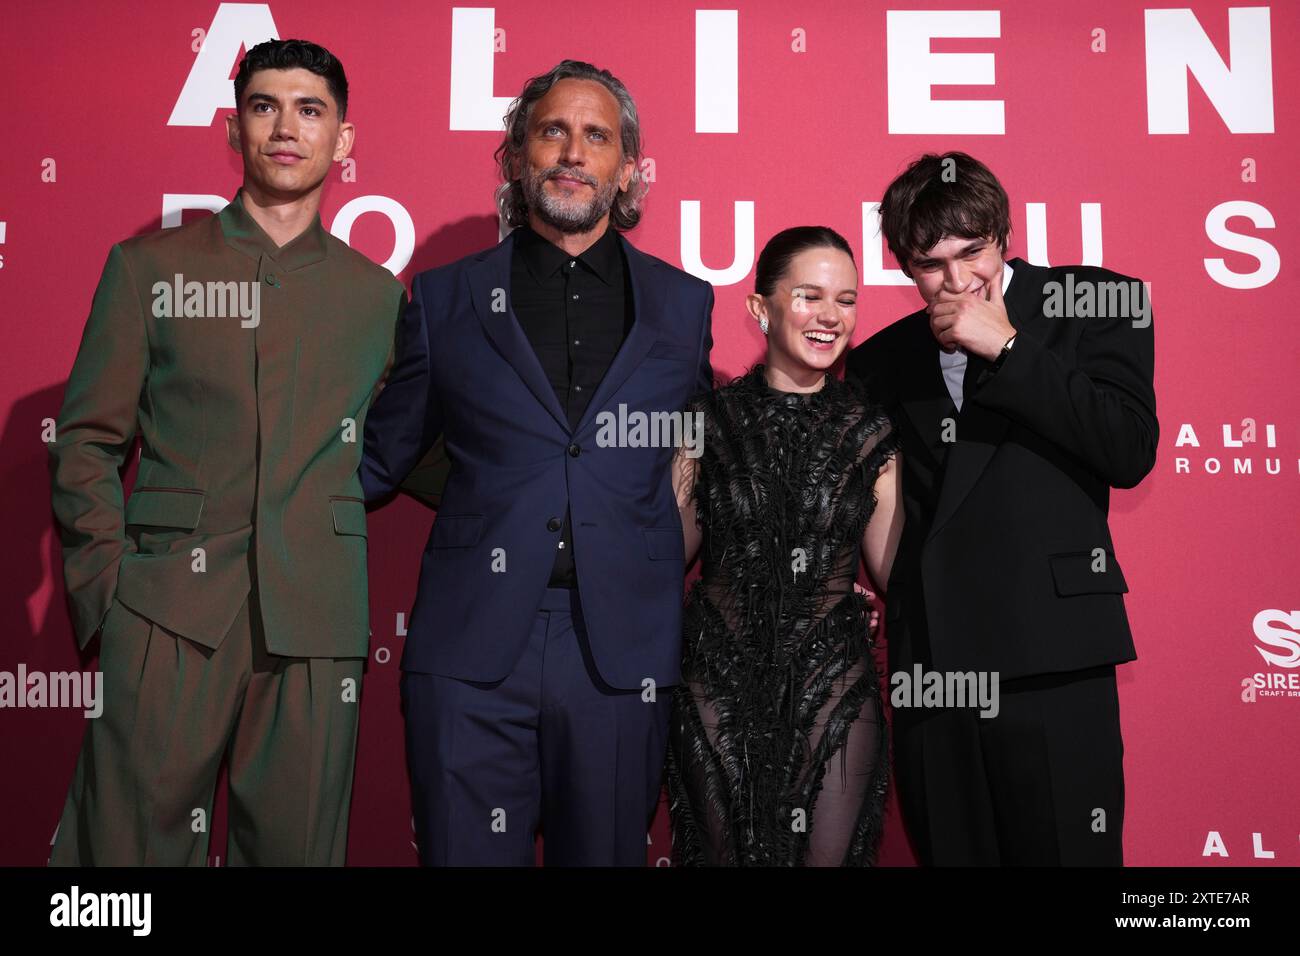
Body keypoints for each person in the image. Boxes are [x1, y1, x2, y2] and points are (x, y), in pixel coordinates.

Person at [48, 39, 406, 865]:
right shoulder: (151, 268)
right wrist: (110, 595)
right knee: (121, 859)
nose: (286, 127)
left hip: (315, 623)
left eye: (310, 110)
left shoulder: (378, 297)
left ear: (343, 141)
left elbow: (404, 446)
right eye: (264, 105)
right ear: (234, 128)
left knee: (295, 851)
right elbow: (86, 442)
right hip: (167, 612)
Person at [360, 60, 714, 866]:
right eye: (552, 130)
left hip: (621, 653)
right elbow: (380, 460)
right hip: (472, 652)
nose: (572, 152)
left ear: (627, 168)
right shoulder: (446, 297)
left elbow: (691, 458)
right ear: (518, 154)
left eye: (597, 136)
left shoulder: (684, 305)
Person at [847, 151, 1158, 865]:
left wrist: (1010, 347)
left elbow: (1128, 448)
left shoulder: (1096, 303)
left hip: (1054, 656)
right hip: (935, 667)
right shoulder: (880, 362)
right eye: (931, 264)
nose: (957, 282)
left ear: (1004, 236)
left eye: (972, 252)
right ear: (904, 267)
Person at [664, 226, 903, 866]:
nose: (831, 317)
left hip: (832, 692)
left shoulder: (871, 433)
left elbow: (895, 569)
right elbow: (664, 553)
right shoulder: (706, 423)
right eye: (809, 296)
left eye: (847, 300)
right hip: (717, 683)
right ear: (760, 308)